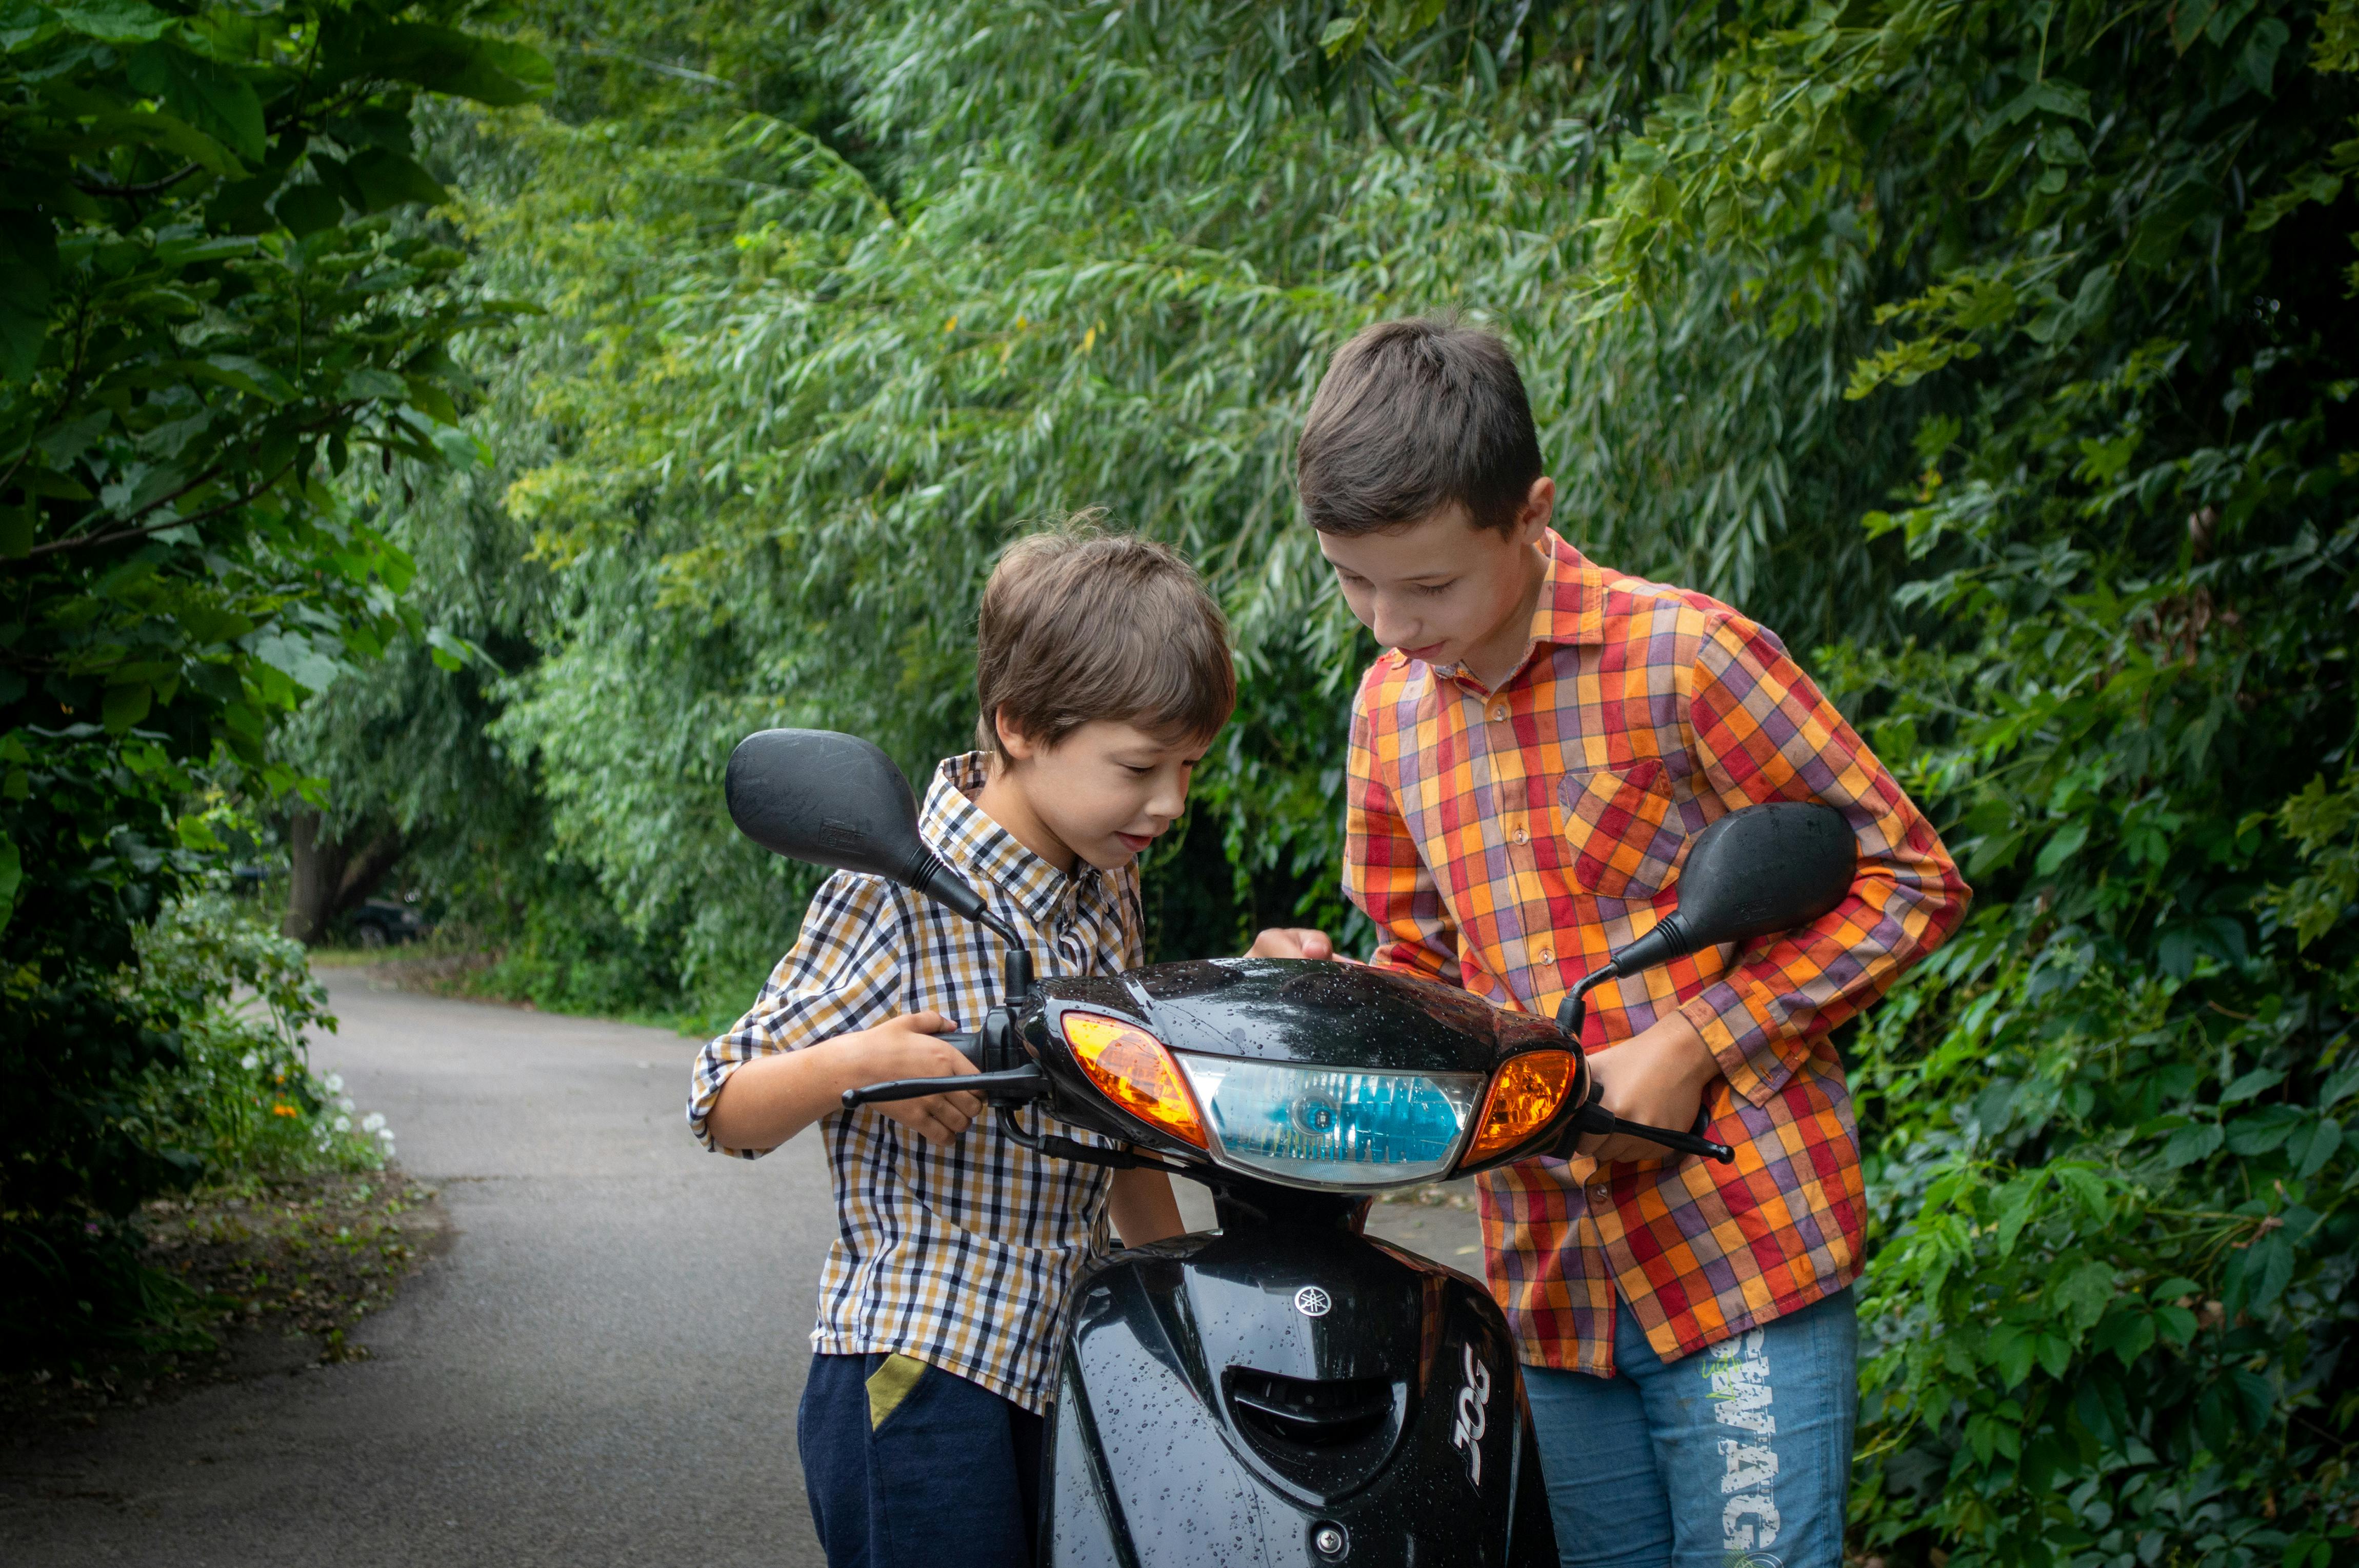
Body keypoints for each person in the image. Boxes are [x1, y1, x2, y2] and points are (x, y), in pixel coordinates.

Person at [1264, 317, 1971, 1568]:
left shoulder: (1686, 660)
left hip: (1744, 1252)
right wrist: (1335, 1000)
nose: (1385, 624)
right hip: (1549, 1289)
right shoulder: (1387, 715)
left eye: (1425, 585)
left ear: (1531, 515)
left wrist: (1696, 1039)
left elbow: (1906, 879)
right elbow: (1423, 975)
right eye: (1349, 578)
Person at [690, 525, 1240, 1568]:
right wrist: (855, 1066)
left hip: (1061, 1355)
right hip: (919, 1363)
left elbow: (1115, 1114)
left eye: (1187, 767)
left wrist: (1173, 1299)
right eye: (1138, 765)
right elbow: (722, 1102)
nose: (1168, 803)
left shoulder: (1103, 884)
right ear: (1021, 724)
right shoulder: (892, 886)